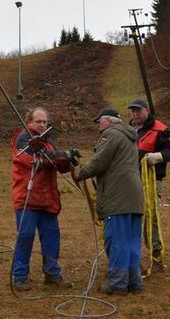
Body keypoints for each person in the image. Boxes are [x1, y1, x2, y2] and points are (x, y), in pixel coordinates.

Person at [73, 108, 144, 295]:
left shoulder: (111, 135)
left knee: (117, 241)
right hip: (134, 197)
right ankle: (134, 281)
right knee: (131, 240)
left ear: (108, 121)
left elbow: (99, 162)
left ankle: (118, 283)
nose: (98, 126)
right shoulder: (129, 136)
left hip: (117, 196)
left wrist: (79, 172)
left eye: (99, 121)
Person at [9, 106, 75, 291]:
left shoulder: (47, 142)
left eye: (44, 121)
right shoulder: (23, 138)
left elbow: (59, 165)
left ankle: (52, 274)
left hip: (47, 199)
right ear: (29, 122)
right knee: (26, 236)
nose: (41, 125)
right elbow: (30, 160)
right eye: (38, 121)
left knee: (51, 237)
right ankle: (20, 276)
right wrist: (59, 155)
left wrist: (69, 158)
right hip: (27, 197)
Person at [127, 98, 170, 269]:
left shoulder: (161, 129)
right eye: (133, 111)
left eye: (138, 111)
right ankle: (133, 258)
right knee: (131, 217)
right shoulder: (127, 130)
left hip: (152, 179)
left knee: (151, 217)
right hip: (129, 179)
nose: (135, 114)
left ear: (147, 110)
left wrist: (157, 157)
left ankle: (156, 255)